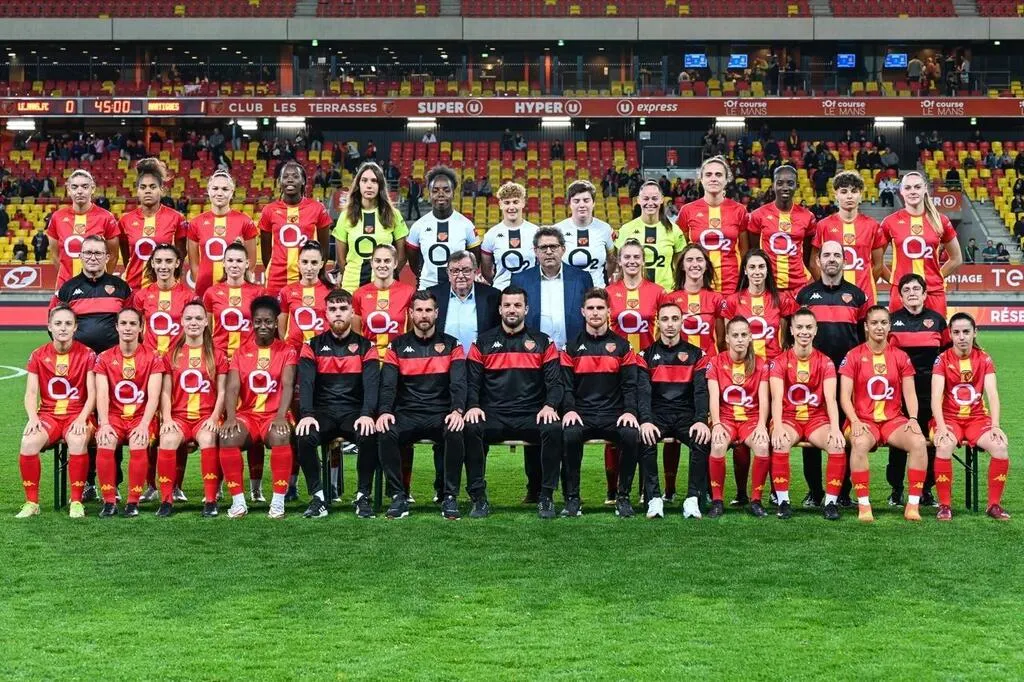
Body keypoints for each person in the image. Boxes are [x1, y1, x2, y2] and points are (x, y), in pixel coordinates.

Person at [465, 286, 564, 518]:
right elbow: (472, 383)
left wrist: (550, 406)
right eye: (507, 305)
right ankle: (478, 498)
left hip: (531, 413)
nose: (512, 310)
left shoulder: (543, 342)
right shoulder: (482, 342)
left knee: (553, 427)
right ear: (499, 309)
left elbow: (555, 383)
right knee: (471, 427)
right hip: (494, 414)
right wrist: (473, 406)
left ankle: (546, 497)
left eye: (517, 305)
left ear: (526, 309)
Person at [376, 291, 468, 520]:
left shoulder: (452, 345)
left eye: (428, 310)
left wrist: (457, 410)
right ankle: (398, 495)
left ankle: (449, 496)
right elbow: (388, 385)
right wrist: (385, 411)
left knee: (456, 429)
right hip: (407, 413)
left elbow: (459, 383)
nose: (424, 315)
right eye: (419, 310)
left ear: (436, 313)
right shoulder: (396, 346)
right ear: (411, 313)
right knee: (386, 430)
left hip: (441, 413)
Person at [294, 289, 379, 519]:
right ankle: (318, 497)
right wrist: (307, 414)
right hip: (324, 413)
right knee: (303, 434)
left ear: (352, 312)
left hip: (354, 413)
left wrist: (367, 414)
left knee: (370, 433)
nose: (338, 314)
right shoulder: (311, 345)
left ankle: (363, 496)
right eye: (333, 309)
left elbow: (372, 385)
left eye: (343, 309)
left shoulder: (367, 347)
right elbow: (307, 383)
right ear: (326, 315)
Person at [560, 288, 644, 519]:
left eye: (600, 308)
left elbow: (630, 385)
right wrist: (569, 410)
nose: (595, 313)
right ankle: (572, 499)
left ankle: (623, 497)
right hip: (582, 414)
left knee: (630, 434)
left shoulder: (623, 347)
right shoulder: (571, 347)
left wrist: (629, 411)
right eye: (591, 308)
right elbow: (566, 386)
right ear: (582, 312)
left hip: (613, 414)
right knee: (568, 434)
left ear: (608, 311)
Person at [839, 306, 928, 523]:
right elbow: (844, 397)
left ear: (889, 326)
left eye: (884, 323)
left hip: (893, 420)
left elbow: (910, 394)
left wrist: (914, 418)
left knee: (918, 442)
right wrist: (855, 421)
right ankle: (864, 505)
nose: (879, 327)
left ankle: (913, 505)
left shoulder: (900, 357)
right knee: (859, 443)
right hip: (863, 420)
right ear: (866, 326)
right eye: (874, 323)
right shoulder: (853, 355)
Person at [796, 240, 868, 508]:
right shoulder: (805, 295)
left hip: (847, 377)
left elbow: (862, 340)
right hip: (813, 376)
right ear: (819, 261)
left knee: (846, 433)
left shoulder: (857, 296)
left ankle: (844, 491)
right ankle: (815, 492)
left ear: (845, 261)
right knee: (812, 433)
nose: (831, 259)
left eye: (837, 255)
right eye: (826, 255)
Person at [218, 296, 298, 520]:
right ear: (251, 322)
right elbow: (232, 388)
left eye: (268, 321)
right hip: (248, 416)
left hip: (275, 414)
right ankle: (238, 503)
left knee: (281, 436)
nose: (263, 326)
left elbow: (288, 384)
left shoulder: (287, 351)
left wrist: (282, 416)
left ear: (276, 323)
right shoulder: (241, 352)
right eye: (258, 321)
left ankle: (278, 502)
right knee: (228, 437)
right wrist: (231, 417)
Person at [16, 307, 96, 519]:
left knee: (78, 441)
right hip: (48, 416)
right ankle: (32, 502)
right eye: (58, 323)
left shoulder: (88, 354)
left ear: (75, 327)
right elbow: (31, 394)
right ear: (50, 326)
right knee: (28, 442)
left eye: (68, 324)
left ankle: (76, 501)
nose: (63, 328)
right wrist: (33, 418)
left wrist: (82, 418)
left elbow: (93, 394)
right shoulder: (38, 355)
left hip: (77, 414)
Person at [930, 313, 1010, 521]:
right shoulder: (942, 359)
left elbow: (992, 394)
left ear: (975, 333)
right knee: (944, 444)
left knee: (1000, 446)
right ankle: (944, 505)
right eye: (956, 332)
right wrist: (940, 427)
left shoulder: (984, 358)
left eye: (966, 332)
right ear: (951, 334)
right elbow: (935, 396)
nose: (962, 337)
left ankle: (993, 505)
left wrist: (995, 425)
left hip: (977, 419)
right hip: (949, 419)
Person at [769, 309, 847, 521]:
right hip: (788, 418)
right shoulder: (779, 361)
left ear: (815, 330)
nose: (804, 331)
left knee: (837, 445)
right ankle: (783, 501)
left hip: (816, 420)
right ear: (792, 331)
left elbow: (831, 399)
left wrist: (835, 428)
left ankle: (831, 503)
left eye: (809, 327)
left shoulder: (826, 362)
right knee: (780, 443)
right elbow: (776, 399)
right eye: (800, 327)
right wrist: (776, 427)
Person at [636, 301, 712, 520]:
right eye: (665, 319)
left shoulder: (696, 354)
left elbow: (700, 391)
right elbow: (643, 393)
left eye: (675, 319)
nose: (670, 324)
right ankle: (653, 498)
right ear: (658, 322)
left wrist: (700, 420)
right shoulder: (645, 355)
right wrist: (646, 420)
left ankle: (693, 499)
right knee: (645, 438)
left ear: (682, 322)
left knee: (701, 439)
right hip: (657, 414)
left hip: (685, 415)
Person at [603, 240, 664, 505]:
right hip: (617, 368)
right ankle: (612, 490)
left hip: (647, 368)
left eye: (636, 257)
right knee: (617, 426)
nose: (631, 261)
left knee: (646, 426)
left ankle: (644, 489)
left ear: (643, 260)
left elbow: (664, 328)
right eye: (626, 256)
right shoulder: (608, 292)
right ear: (619, 261)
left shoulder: (658, 292)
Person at [157, 301, 228, 517]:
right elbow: (166, 392)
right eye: (189, 318)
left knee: (208, 438)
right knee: (168, 439)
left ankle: (210, 499)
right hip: (179, 418)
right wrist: (167, 419)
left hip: (205, 417)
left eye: (198, 318)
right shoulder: (171, 353)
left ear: (206, 322)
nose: (194, 323)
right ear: (181, 321)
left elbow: (223, 391)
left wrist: (215, 417)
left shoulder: (217, 354)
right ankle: (167, 499)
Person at [93, 308, 165, 517]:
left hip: (141, 418)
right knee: (105, 441)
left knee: (139, 441)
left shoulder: (153, 357)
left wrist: (143, 424)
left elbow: (154, 397)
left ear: (141, 328)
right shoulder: (104, 358)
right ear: (116, 327)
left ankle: (133, 502)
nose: (128, 328)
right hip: (113, 417)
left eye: (133, 324)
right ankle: (109, 500)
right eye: (123, 323)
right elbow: (102, 395)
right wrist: (104, 423)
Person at [888, 273, 947, 508]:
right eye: (907, 290)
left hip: (931, 395)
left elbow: (946, 356)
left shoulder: (938, 321)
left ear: (925, 294)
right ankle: (896, 489)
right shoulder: (892, 321)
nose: (912, 293)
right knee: (899, 445)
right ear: (900, 297)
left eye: (916, 289)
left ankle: (925, 490)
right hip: (900, 396)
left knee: (927, 444)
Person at [705, 316, 771, 518]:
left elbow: (764, 399)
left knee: (761, 445)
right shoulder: (715, 362)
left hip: (751, 420)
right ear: (727, 339)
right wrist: (715, 424)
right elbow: (714, 397)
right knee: (717, 445)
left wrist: (761, 425)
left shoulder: (761, 364)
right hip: (725, 419)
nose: (740, 339)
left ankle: (756, 500)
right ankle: (717, 500)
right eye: (735, 335)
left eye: (744, 335)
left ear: (751, 337)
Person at [881, 171, 963, 317]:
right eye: (908, 188)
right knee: (898, 338)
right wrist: (895, 282)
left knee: (937, 338)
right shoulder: (889, 222)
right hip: (901, 293)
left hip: (933, 292)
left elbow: (956, 259)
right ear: (901, 191)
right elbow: (875, 260)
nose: (913, 191)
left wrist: (936, 277)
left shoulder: (941, 220)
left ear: (925, 189)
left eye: (917, 187)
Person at [812, 171, 887, 306]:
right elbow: (814, 263)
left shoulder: (872, 225)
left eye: (854, 191)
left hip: (865, 294)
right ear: (836, 195)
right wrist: (826, 286)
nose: (849, 196)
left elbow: (878, 265)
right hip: (832, 294)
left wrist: (866, 285)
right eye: (844, 191)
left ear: (860, 195)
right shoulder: (824, 225)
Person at [676, 156, 750, 294]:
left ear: (726, 179)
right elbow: (681, 250)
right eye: (708, 174)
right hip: (698, 284)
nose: (713, 178)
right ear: (701, 179)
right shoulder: (687, 211)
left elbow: (744, 251)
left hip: (732, 285)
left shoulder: (739, 210)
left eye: (719, 174)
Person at [511, 226, 591, 352]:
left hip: (574, 354)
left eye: (553, 247)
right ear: (536, 251)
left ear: (563, 249)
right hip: (533, 355)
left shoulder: (582, 278)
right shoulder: (520, 280)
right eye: (543, 247)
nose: (549, 251)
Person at [258, 160, 332, 294]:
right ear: (280, 182)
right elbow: (266, 253)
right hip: (276, 279)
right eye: (285, 177)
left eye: (295, 176)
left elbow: (324, 249)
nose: (290, 180)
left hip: (307, 276)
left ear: (303, 181)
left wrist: (316, 271)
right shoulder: (269, 210)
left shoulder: (317, 208)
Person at [334, 161, 409, 292]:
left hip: (384, 286)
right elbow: (340, 260)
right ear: (358, 184)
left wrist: (390, 275)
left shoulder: (394, 215)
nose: (369, 185)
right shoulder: (345, 215)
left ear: (380, 185)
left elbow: (402, 256)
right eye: (364, 180)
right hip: (351, 286)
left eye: (374, 181)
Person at [53, 235, 132, 354]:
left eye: (98, 253)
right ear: (80, 256)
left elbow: (133, 323)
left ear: (107, 258)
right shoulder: (67, 289)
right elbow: (54, 324)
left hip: (114, 360)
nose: (93, 258)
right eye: (88, 253)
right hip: (78, 358)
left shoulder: (122, 287)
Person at [407, 166, 481, 290]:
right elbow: (413, 261)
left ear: (453, 193)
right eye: (435, 191)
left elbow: (475, 260)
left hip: (458, 291)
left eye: (446, 190)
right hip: (427, 291)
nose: (441, 194)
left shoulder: (466, 225)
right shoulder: (418, 226)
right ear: (429, 194)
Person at [118, 158, 187, 290]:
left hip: (165, 287)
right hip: (133, 287)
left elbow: (181, 254)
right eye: (143, 187)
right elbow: (127, 256)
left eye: (153, 187)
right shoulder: (125, 220)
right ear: (137, 190)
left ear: (161, 189)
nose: (148, 191)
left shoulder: (177, 218)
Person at [188, 170, 258, 297]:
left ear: (232, 192)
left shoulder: (245, 221)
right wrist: (200, 280)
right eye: (215, 188)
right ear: (208, 190)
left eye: (225, 189)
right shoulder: (195, 223)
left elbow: (251, 262)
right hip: (204, 287)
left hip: (235, 289)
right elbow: (194, 265)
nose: (219, 193)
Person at [46, 169, 119, 288]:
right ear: (68, 190)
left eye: (85, 187)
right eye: (74, 187)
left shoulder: (106, 217)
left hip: (96, 286)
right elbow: (55, 255)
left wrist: (102, 278)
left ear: (93, 189)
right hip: (65, 285)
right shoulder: (57, 217)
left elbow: (113, 256)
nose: (79, 191)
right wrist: (67, 277)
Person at [747, 165, 815, 292]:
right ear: (773, 185)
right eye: (780, 183)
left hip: (800, 285)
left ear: (797, 185)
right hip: (769, 286)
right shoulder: (758, 215)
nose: (785, 188)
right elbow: (754, 250)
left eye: (790, 183)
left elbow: (807, 253)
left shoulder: (808, 216)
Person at [616, 180, 684, 292]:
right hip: (635, 292)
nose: (650, 202)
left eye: (655, 198)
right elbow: (619, 264)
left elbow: (679, 265)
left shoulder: (674, 230)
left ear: (662, 199)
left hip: (666, 292)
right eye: (646, 198)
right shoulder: (626, 230)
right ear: (638, 200)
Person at [428, 250, 501, 354]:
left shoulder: (492, 296)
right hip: (443, 363)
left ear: (475, 271)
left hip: (479, 363)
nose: (460, 275)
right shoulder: (433, 295)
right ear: (448, 273)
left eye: (466, 270)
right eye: (455, 271)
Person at [202, 242, 266, 361]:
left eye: (239, 261)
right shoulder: (211, 292)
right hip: (219, 356)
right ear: (224, 263)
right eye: (230, 260)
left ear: (247, 264)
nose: (234, 265)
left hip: (249, 356)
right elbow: (206, 330)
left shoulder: (259, 292)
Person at [353, 243, 416, 358]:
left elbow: (412, 333)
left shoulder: (409, 292)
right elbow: (356, 335)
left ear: (395, 263)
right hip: (369, 360)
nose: (382, 265)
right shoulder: (359, 294)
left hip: (398, 359)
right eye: (378, 261)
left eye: (387, 261)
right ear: (372, 263)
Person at [130, 244, 192, 357]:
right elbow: (138, 329)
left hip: (177, 359)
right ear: (153, 263)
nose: (163, 266)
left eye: (168, 261)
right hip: (151, 360)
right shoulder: (141, 295)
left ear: (177, 263)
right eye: (158, 261)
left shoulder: (189, 296)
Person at [553, 180, 615, 287]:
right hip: (567, 291)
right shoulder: (557, 230)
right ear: (570, 204)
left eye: (586, 200)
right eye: (576, 201)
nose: (582, 205)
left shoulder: (605, 228)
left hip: (597, 293)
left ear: (593, 203)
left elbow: (612, 260)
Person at [277, 241, 335, 352]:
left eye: (314, 263)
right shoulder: (286, 291)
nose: (309, 267)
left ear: (321, 264)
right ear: (298, 263)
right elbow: (282, 329)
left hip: (323, 352)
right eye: (304, 262)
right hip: (295, 352)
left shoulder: (332, 291)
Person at [481, 182, 539, 289]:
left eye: (515, 202)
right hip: (501, 292)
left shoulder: (536, 232)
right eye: (507, 203)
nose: (511, 207)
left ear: (523, 203)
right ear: (500, 205)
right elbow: (486, 271)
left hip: (531, 290)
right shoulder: (491, 234)